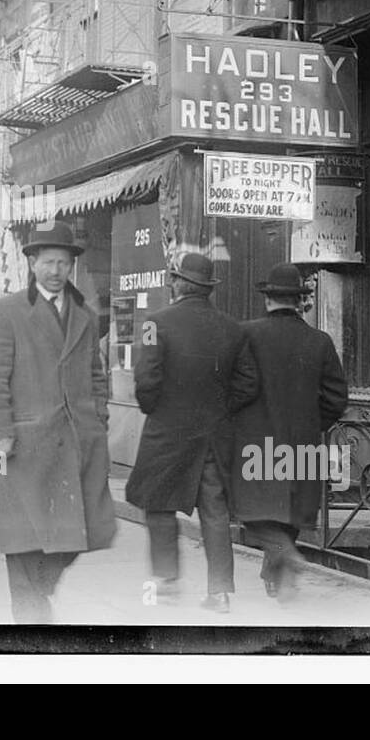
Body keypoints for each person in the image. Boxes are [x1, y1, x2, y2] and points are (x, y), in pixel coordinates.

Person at [0, 219, 117, 623]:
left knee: (80, 534)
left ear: (72, 266)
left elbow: (95, 375)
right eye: (48, 262)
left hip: (76, 441)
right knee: (22, 541)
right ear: (32, 264)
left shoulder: (85, 316)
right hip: (23, 445)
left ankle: (37, 596)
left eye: (63, 263)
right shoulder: (5, 313)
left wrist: (98, 420)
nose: (56, 272)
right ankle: (30, 622)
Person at [126, 252, 259, 614]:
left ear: (181, 284)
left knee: (157, 503)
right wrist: (219, 408)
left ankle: (167, 580)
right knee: (214, 513)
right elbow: (249, 384)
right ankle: (219, 593)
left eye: (173, 279)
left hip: (167, 432)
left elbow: (146, 380)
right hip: (214, 434)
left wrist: (155, 407)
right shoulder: (233, 328)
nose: (171, 284)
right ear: (207, 288)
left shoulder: (157, 322)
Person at [230, 263, 349, 600]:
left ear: (268, 299)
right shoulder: (320, 341)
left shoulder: (246, 334)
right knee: (290, 513)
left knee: (251, 513)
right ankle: (278, 577)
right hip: (303, 445)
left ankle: (285, 556)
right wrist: (313, 425)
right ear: (299, 302)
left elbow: (236, 387)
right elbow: (337, 398)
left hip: (256, 444)